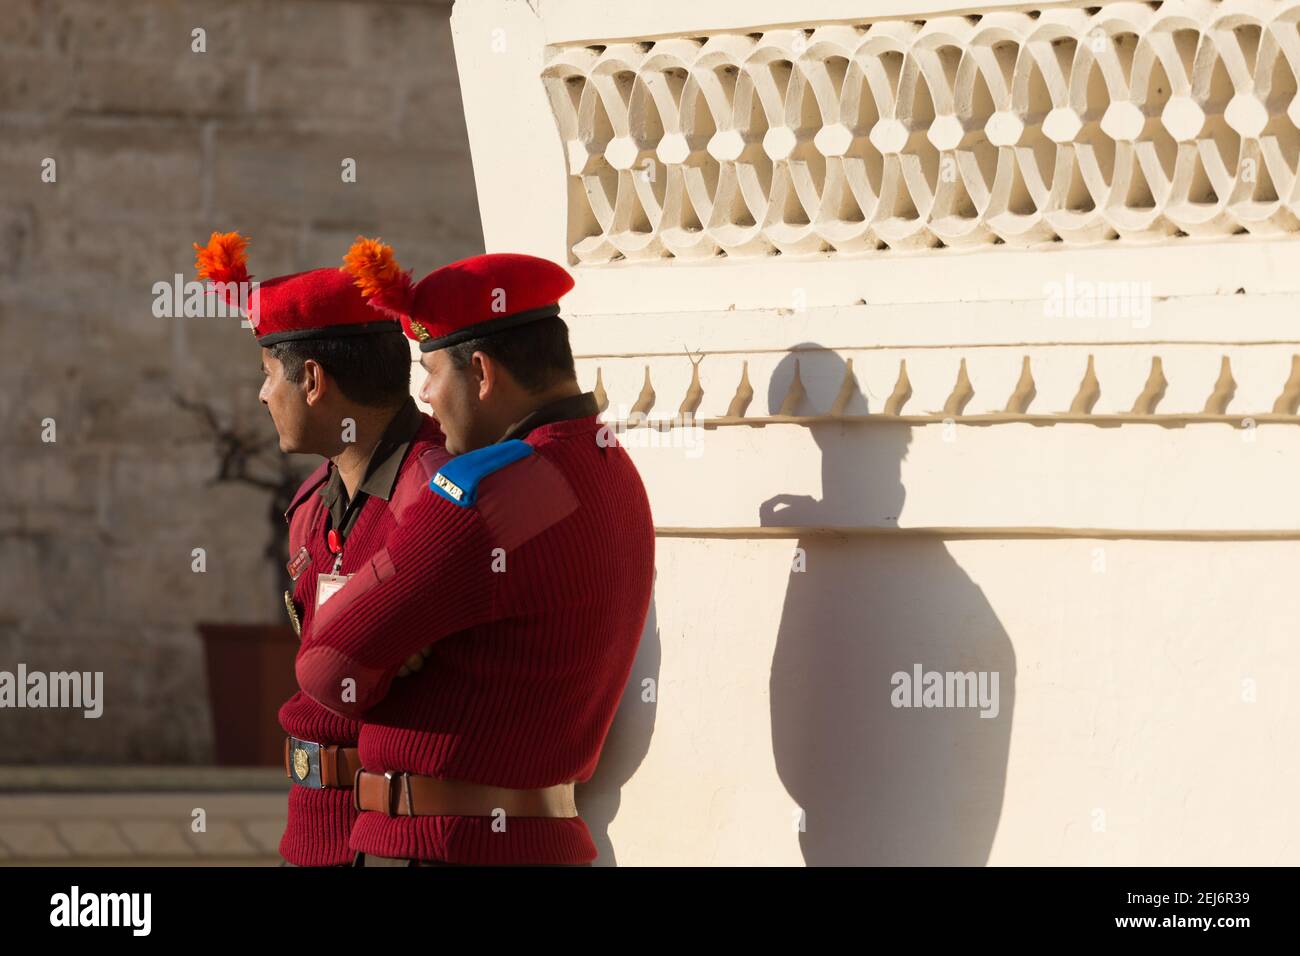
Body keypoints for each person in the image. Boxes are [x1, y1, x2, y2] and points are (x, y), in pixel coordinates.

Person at [293, 239, 656, 866]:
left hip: (441, 847)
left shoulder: (492, 492)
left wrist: (384, 645)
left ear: (482, 373)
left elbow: (327, 667)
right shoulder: (608, 463)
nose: (427, 398)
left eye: (431, 375)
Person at [193, 232, 448, 866]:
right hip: (314, 831)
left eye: (266, 375)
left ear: (311, 380)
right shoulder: (311, 505)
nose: (260, 395)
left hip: (396, 835)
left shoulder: (437, 495)